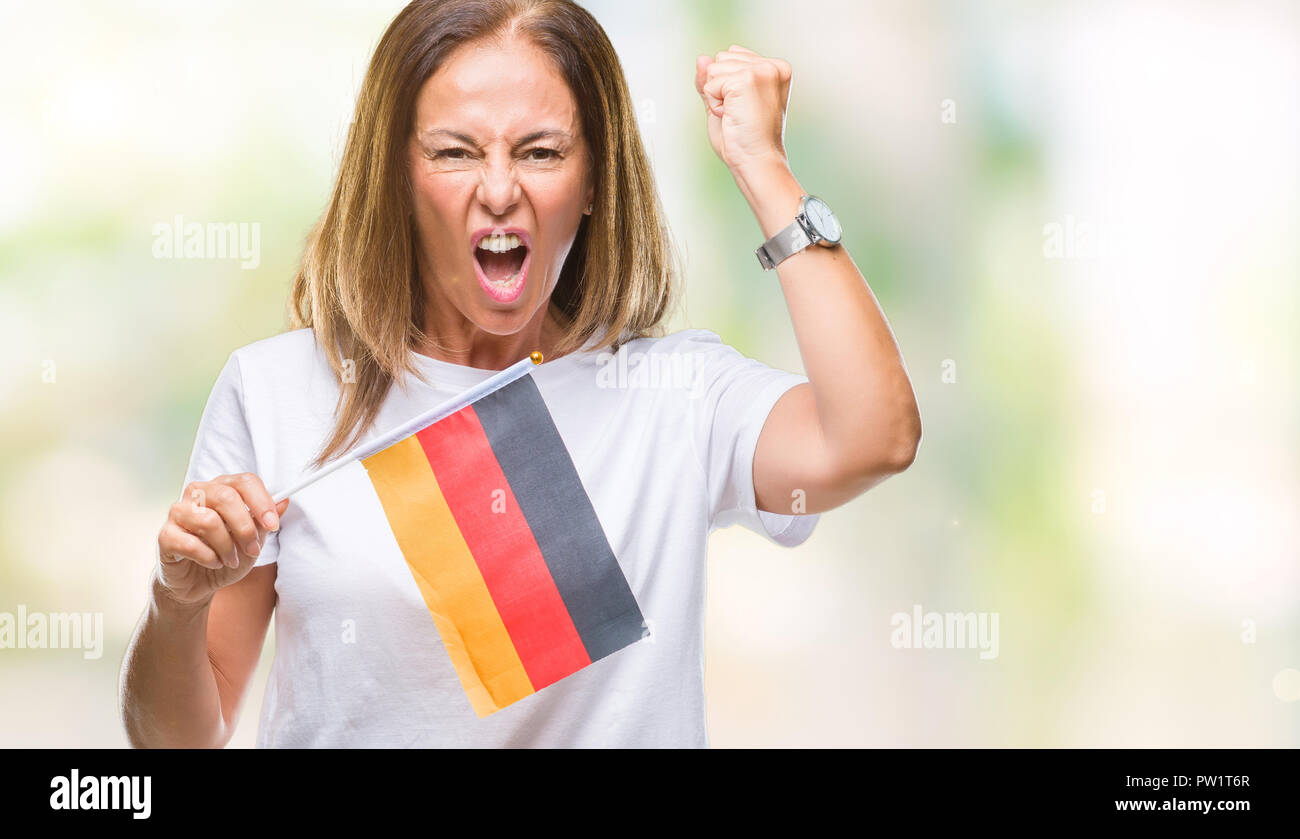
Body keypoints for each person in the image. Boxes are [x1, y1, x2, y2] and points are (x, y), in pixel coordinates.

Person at [119, 0, 921, 748]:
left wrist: (763, 165)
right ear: (397, 175)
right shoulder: (275, 391)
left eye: (541, 152)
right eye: (454, 152)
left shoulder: (676, 397)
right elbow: (179, 738)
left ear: (594, 180)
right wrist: (176, 599)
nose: (499, 190)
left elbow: (874, 437)